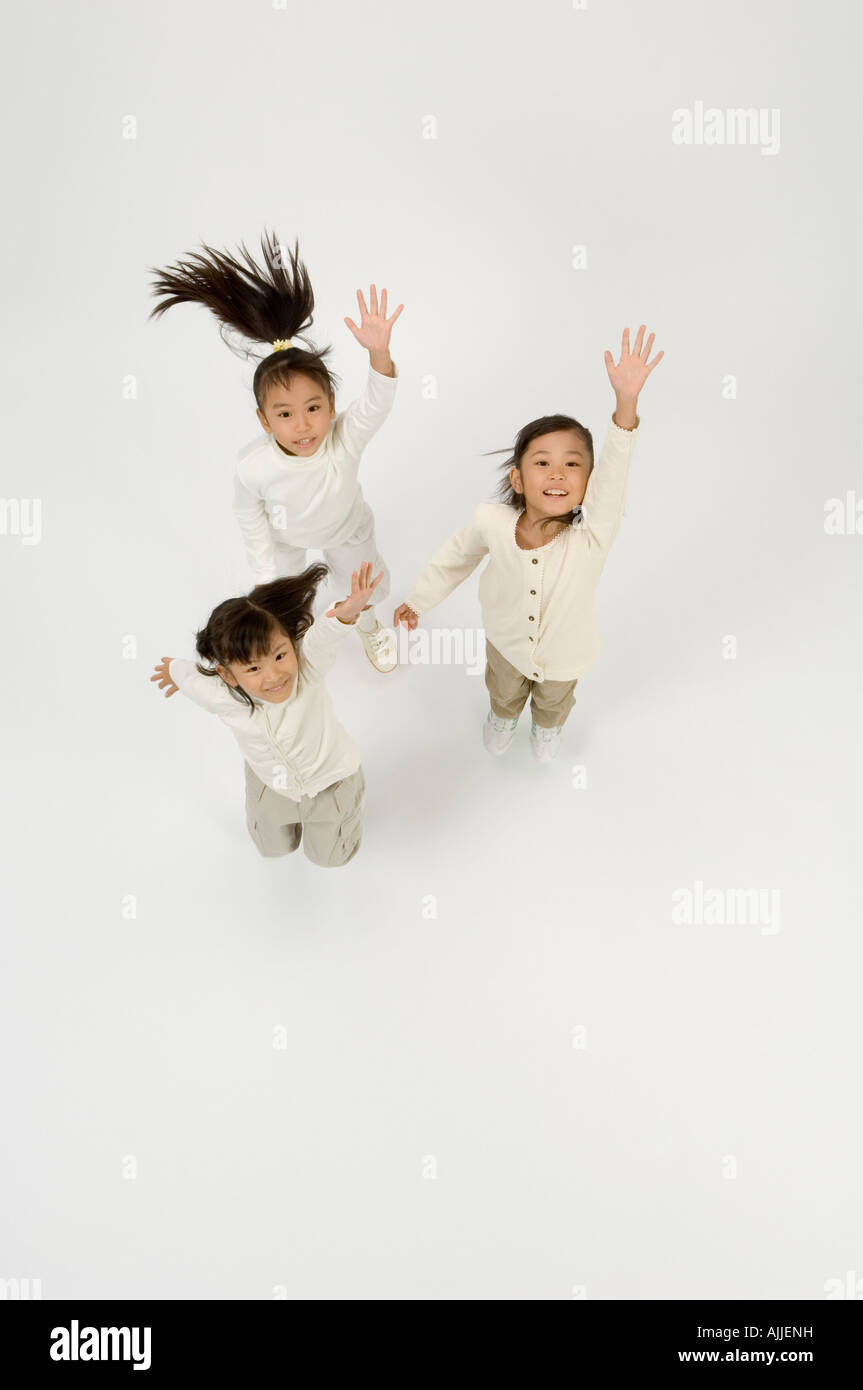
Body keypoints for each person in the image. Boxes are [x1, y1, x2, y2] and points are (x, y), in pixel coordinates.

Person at [393, 325, 664, 762]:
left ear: (588, 484)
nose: (557, 473)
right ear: (517, 479)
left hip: (567, 656)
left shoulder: (592, 537)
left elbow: (614, 476)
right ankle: (503, 717)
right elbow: (456, 559)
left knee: (555, 702)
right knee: (502, 690)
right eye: (543, 463)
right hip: (505, 642)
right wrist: (420, 600)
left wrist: (625, 405)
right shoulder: (491, 521)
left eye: (572, 464)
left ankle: (547, 729)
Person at [148, 230, 403, 672]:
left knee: (359, 581)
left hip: (346, 528)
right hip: (289, 539)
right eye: (285, 414)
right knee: (284, 598)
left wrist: (379, 353)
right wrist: (267, 579)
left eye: (313, 408)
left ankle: (367, 624)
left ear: (331, 407)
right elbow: (250, 518)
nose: (303, 424)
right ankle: (296, 632)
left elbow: (378, 404)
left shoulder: (344, 438)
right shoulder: (254, 467)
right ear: (264, 421)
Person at [150, 562, 384, 866]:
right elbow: (192, 679)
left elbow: (323, 638)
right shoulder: (222, 696)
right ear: (229, 675)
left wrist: (347, 613)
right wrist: (173, 670)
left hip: (331, 781)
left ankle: (342, 820)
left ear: (291, 644)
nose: (273, 675)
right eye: (253, 668)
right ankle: (278, 825)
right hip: (270, 783)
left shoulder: (307, 668)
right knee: (272, 848)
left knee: (329, 857)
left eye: (280, 655)